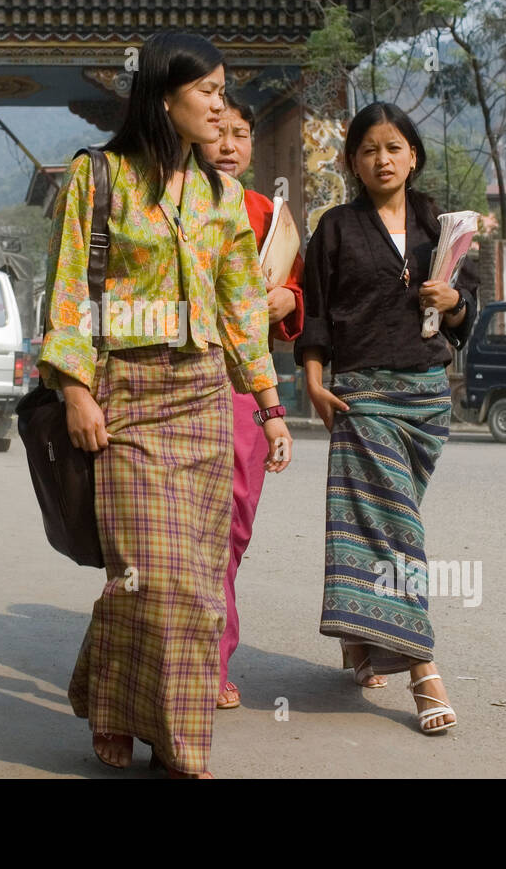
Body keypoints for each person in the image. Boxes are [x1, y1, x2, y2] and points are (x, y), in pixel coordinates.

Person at [38, 32, 294, 778]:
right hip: (126, 395)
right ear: (163, 95)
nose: (221, 107)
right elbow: (64, 288)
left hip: (204, 397)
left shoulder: (218, 194)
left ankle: (144, 720)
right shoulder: (100, 176)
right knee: (146, 568)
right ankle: (154, 731)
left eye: (224, 92)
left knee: (191, 577)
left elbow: (243, 307)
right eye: (208, 91)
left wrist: (271, 405)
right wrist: (77, 387)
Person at [295, 102, 478, 734]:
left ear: (414, 156)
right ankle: (424, 670)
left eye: (394, 147)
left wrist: (454, 302)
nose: (383, 159)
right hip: (363, 396)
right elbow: (316, 311)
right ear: (352, 161)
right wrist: (313, 379)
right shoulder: (336, 229)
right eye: (369, 149)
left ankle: (360, 636)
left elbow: (467, 304)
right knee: (397, 532)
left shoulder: (438, 222)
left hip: (427, 397)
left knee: (381, 525)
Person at [199, 98, 304, 711]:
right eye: (218, 131)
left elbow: (294, 287)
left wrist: (288, 301)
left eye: (241, 134)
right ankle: (183, 661)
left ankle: (214, 654)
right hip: (181, 369)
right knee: (181, 526)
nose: (230, 144)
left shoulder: (266, 213)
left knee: (232, 522)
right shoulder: (172, 203)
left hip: (244, 383)